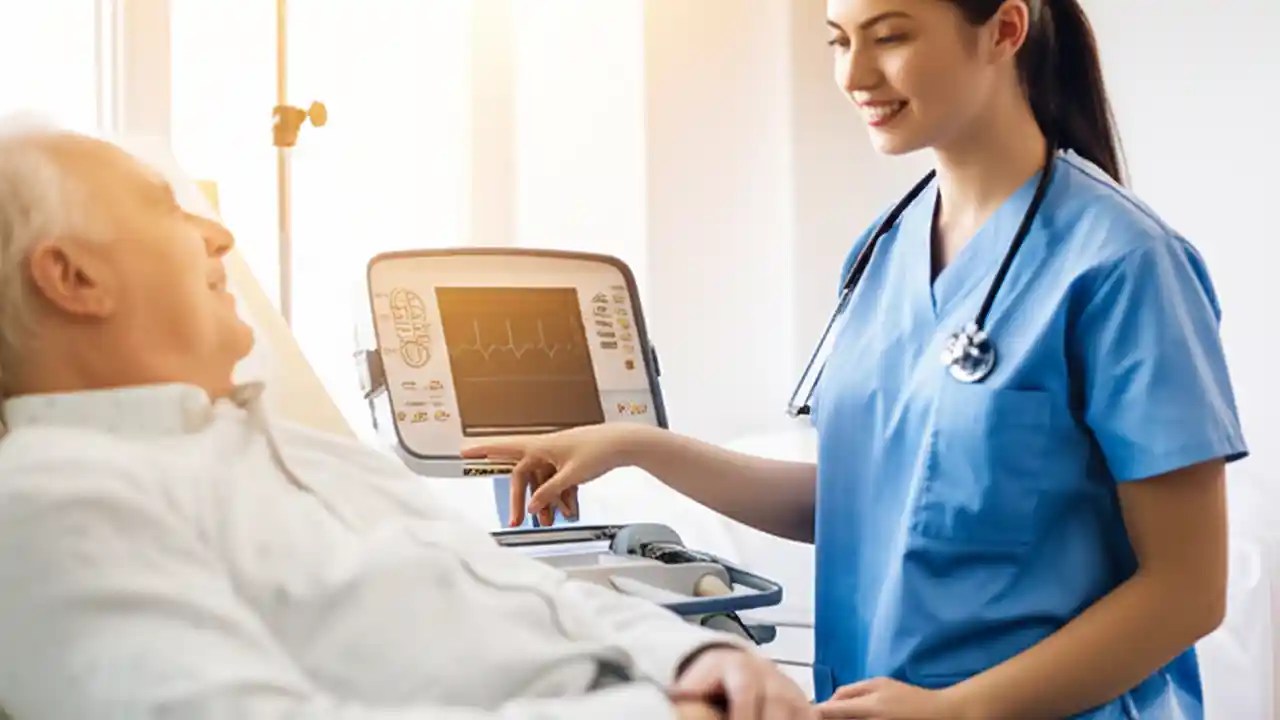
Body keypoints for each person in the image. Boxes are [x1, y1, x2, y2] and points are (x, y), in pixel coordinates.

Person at [462, 1, 1249, 718]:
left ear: (1005, 30)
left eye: (892, 36)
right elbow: (864, 503)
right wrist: (635, 446)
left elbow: (1185, 591)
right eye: (839, 41)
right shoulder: (882, 252)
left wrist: (959, 711)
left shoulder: (1123, 266)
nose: (853, 75)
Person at [0, 126, 817, 720]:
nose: (219, 233)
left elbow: (528, 595)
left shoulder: (310, 455)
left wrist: (699, 655)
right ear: (72, 277)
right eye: (163, 207)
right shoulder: (50, 500)